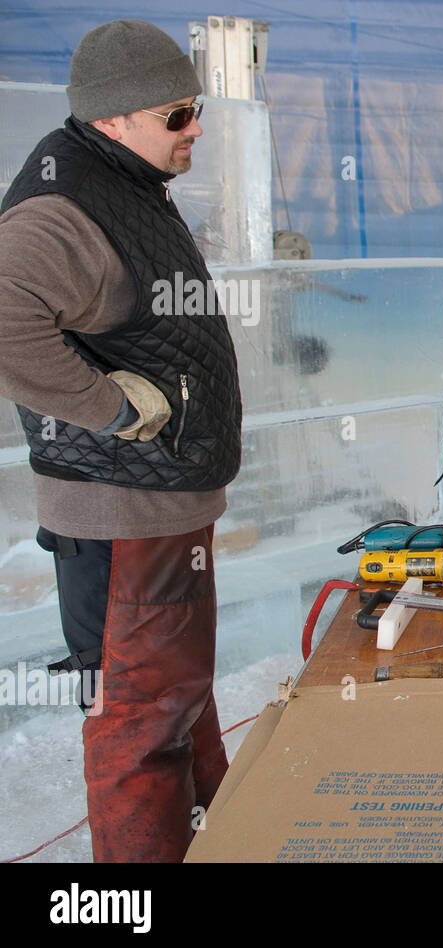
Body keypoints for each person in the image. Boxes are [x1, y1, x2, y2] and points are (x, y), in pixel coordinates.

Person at [0, 20, 243, 861]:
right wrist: (104, 405)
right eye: (178, 114)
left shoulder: (121, 181)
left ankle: (224, 833)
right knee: (140, 726)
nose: (196, 128)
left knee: (175, 696)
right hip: (124, 519)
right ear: (113, 120)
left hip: (159, 507)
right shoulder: (64, 208)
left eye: (197, 108)